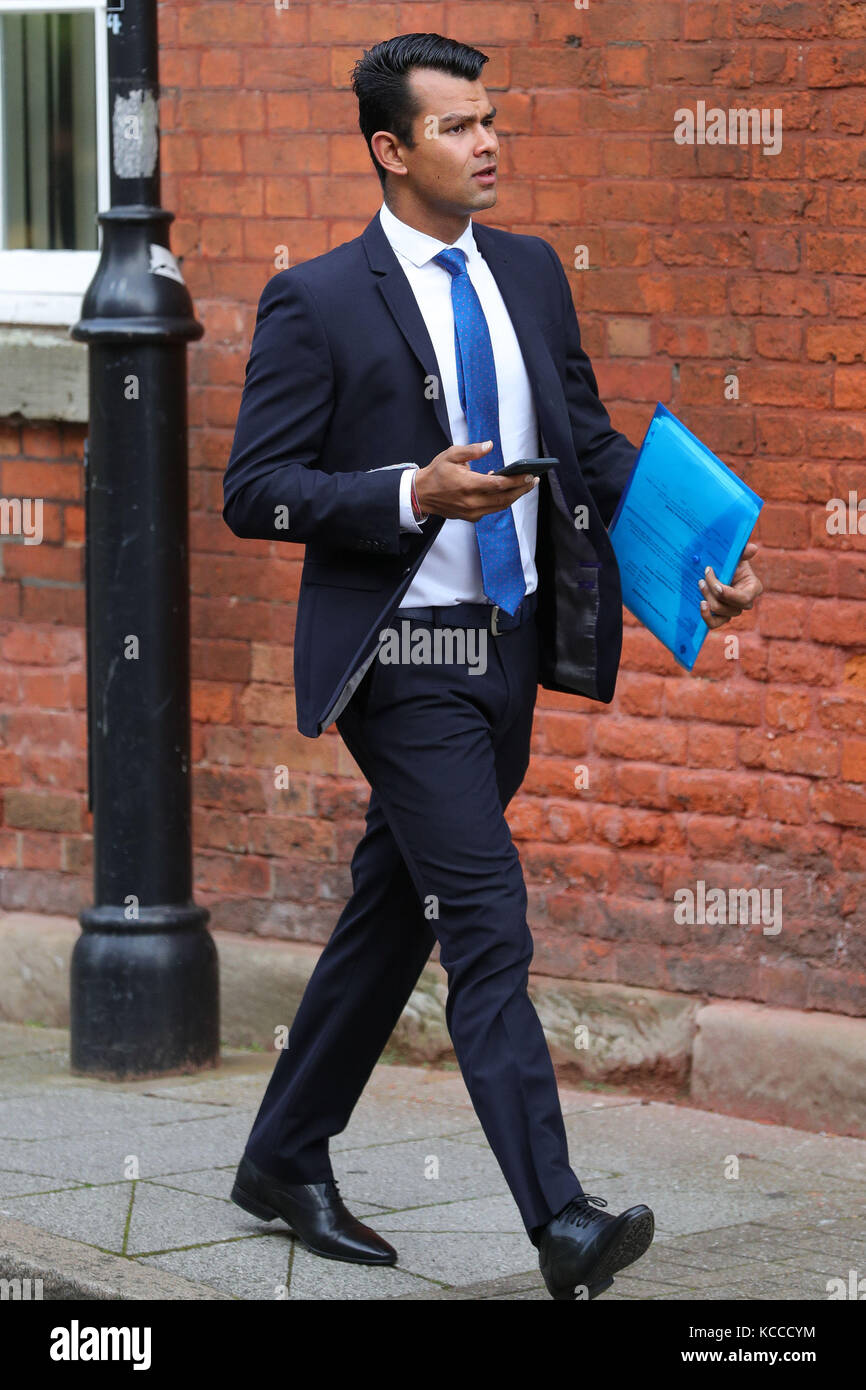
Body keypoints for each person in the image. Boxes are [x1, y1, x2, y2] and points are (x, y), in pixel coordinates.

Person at [222, 33, 763, 1300]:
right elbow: (256, 492)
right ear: (389, 149)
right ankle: (560, 1220)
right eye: (459, 126)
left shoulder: (526, 273)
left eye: (491, 119)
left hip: (508, 651)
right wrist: (409, 491)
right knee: (484, 922)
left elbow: (585, 441)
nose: (488, 142)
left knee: (393, 911)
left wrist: (693, 559)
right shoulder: (318, 299)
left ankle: (281, 1156)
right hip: (402, 652)